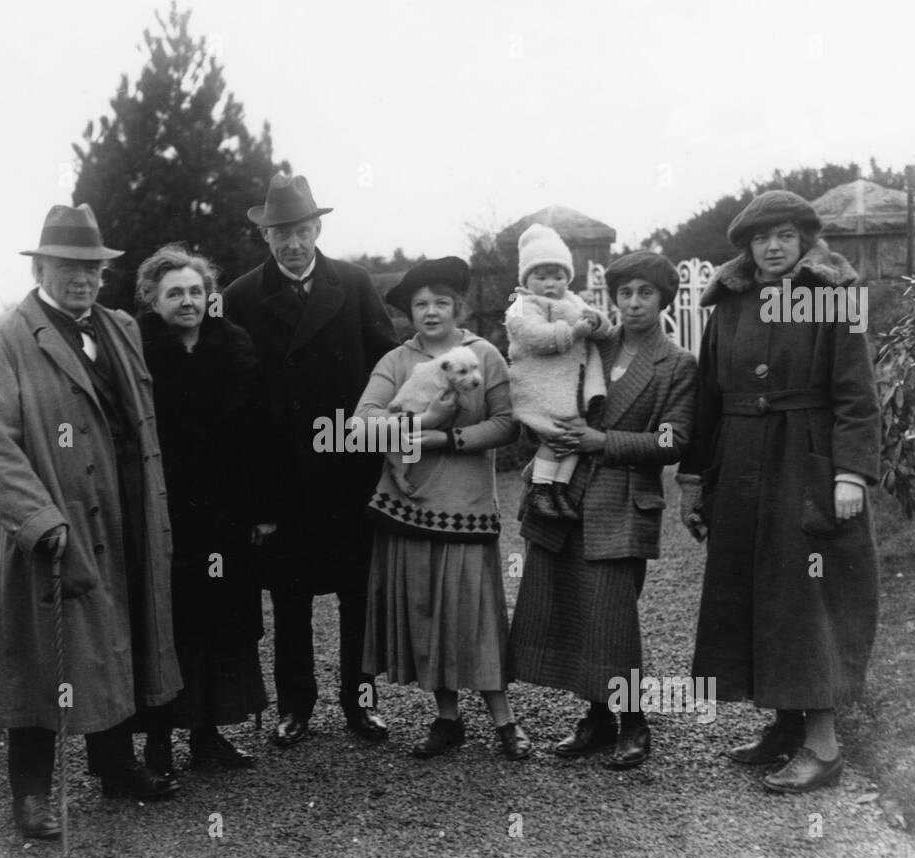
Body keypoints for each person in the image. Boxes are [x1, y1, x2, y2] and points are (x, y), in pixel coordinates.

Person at [0, 203, 182, 841]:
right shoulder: (3, 337)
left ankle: (116, 769)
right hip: (52, 520)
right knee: (39, 657)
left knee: (115, 640)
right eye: (68, 266)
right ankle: (31, 797)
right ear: (41, 267)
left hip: (122, 511)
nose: (82, 278)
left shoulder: (119, 328)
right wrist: (37, 519)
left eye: (92, 268)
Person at [677, 190, 879, 793]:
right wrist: (694, 481)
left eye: (785, 236)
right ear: (746, 246)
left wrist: (850, 474)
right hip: (740, 464)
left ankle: (824, 747)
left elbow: (857, 394)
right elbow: (707, 402)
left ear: (804, 241)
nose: (772, 247)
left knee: (805, 596)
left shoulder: (838, 300)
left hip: (806, 463)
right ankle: (784, 729)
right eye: (761, 238)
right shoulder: (729, 307)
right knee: (753, 591)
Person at [223, 173, 398, 747]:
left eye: (301, 230)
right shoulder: (242, 296)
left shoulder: (353, 282)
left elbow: (388, 369)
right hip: (283, 473)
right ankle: (295, 706)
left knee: (357, 594)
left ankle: (360, 703)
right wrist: (257, 494)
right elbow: (239, 399)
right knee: (290, 596)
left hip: (349, 468)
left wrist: (382, 453)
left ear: (318, 228)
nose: (292, 243)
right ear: (266, 237)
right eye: (281, 233)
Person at [507, 252, 696, 770]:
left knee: (612, 614)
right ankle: (597, 719)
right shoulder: (591, 338)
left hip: (621, 498)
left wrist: (600, 440)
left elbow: (672, 439)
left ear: (664, 300)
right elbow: (541, 379)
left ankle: (634, 721)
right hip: (564, 492)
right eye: (625, 293)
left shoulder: (676, 363)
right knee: (571, 603)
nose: (633, 303)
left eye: (646, 294)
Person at [355, 257, 529, 759]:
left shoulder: (483, 354)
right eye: (420, 304)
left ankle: (505, 722)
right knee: (427, 610)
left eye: (441, 302)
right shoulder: (396, 361)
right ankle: (447, 718)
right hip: (408, 507)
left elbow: (506, 423)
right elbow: (362, 425)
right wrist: (413, 430)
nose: (431, 312)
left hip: (467, 505)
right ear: (409, 312)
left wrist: (444, 438)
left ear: (459, 306)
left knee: (475, 615)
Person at [135, 243, 275, 778]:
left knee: (221, 626)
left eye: (196, 291)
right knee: (169, 628)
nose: (188, 301)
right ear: (153, 299)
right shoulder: (139, 355)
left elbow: (261, 435)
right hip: (166, 516)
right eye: (175, 293)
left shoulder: (235, 347)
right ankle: (158, 746)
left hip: (227, 516)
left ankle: (206, 737)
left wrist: (263, 509)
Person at [504, 223, 611, 519]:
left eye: (558, 276)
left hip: (568, 383)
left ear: (568, 277)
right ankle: (540, 486)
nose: (550, 284)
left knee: (574, 434)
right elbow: (532, 336)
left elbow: (602, 329)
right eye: (541, 277)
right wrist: (574, 331)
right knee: (558, 433)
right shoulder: (520, 304)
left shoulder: (573, 300)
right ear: (527, 278)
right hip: (539, 381)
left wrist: (596, 321)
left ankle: (558, 488)